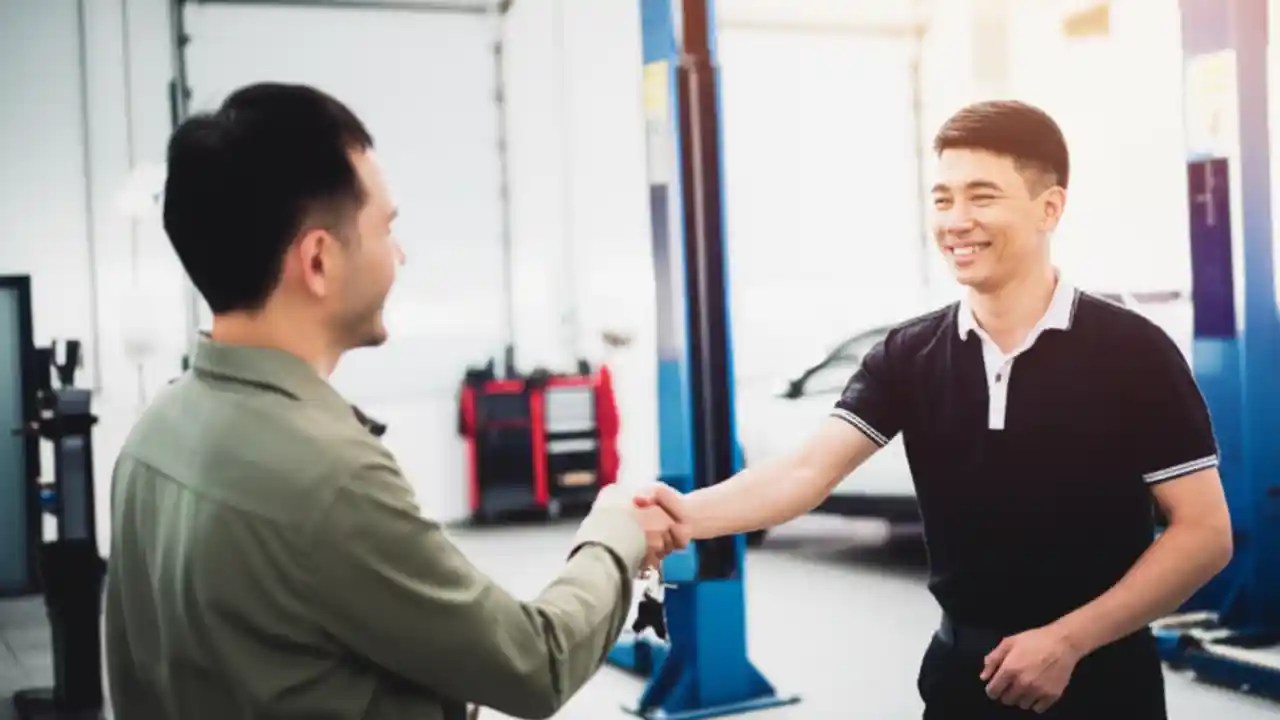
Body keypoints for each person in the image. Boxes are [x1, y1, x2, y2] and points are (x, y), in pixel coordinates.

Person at [103, 83, 690, 720]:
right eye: (387, 228)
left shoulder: (152, 435)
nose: (400, 254)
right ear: (319, 261)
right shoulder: (329, 476)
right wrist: (615, 537)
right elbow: (533, 663)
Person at [637, 100, 1233, 718]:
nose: (956, 221)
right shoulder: (909, 354)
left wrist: (1068, 640)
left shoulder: (1132, 353)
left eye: (982, 197)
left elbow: (1204, 533)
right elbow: (803, 473)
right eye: (942, 198)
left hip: (1103, 683)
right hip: (960, 682)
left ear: (1049, 208)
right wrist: (679, 515)